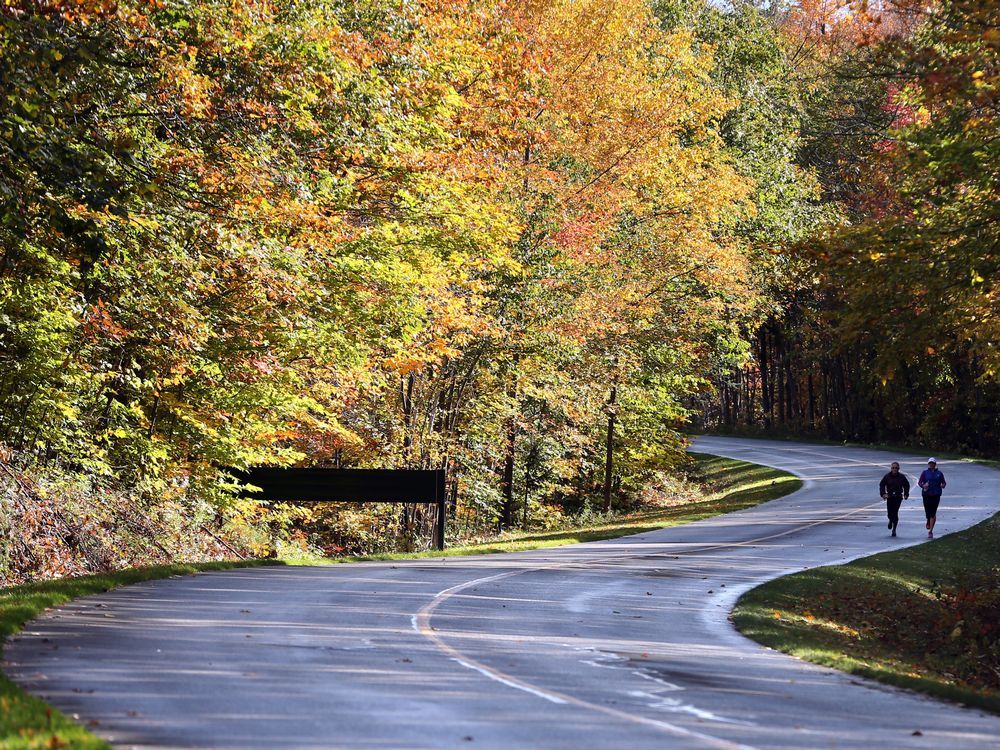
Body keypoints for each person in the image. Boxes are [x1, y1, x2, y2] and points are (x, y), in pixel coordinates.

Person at [917, 458, 946, 538]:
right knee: (928, 512)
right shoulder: (925, 473)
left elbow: (943, 482)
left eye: (932, 463)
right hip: (926, 494)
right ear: (928, 464)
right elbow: (919, 482)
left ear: (935, 464)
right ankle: (928, 520)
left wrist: (942, 485)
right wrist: (923, 486)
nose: (931, 464)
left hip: (936, 495)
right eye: (930, 463)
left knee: (933, 512)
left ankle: (930, 531)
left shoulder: (939, 473)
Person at [879, 462, 909, 537]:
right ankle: (890, 520)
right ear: (891, 468)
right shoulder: (887, 476)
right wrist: (883, 494)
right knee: (890, 513)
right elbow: (882, 484)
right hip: (890, 497)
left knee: (895, 513)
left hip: (898, 497)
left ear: (898, 469)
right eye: (893, 468)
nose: (894, 469)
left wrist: (906, 494)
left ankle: (894, 529)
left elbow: (906, 485)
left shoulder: (902, 477)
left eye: (896, 468)